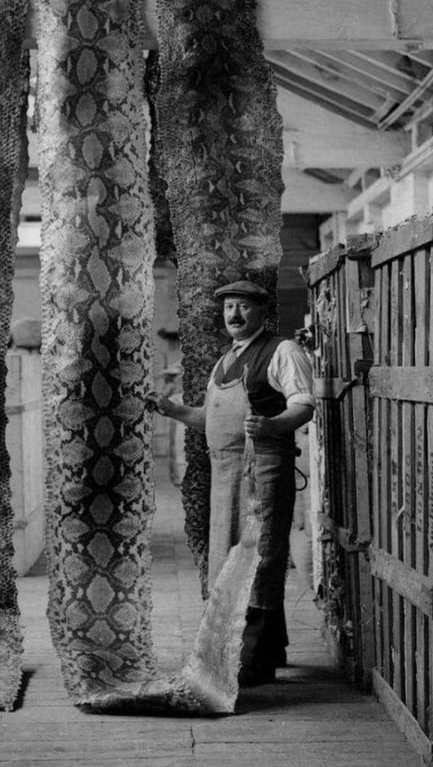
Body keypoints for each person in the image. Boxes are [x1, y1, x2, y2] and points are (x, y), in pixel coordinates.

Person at [146, 280, 315, 686]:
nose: (234, 316)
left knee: (262, 556)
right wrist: (172, 410)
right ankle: (269, 649)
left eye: (242, 307)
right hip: (226, 472)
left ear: (262, 312)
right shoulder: (225, 361)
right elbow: (213, 417)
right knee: (231, 558)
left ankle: (253, 661)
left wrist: (273, 424)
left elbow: (304, 405)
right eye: (228, 309)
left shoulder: (282, 351)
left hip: (264, 466)